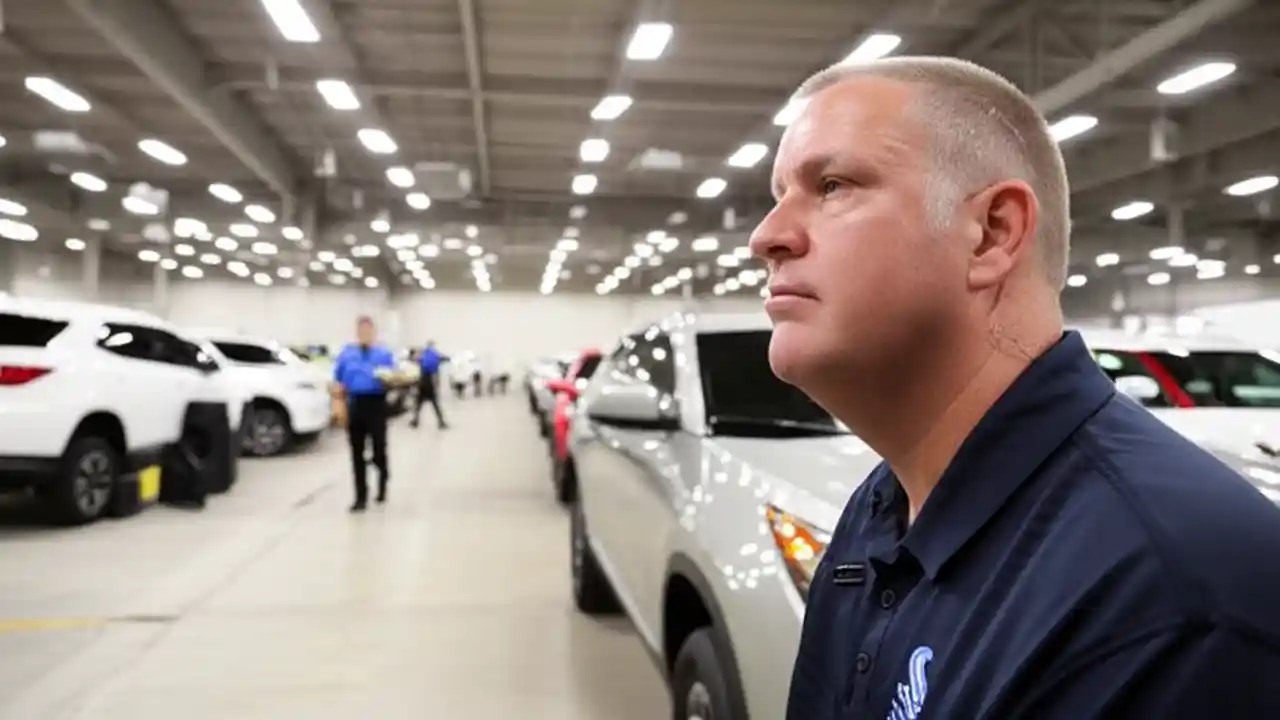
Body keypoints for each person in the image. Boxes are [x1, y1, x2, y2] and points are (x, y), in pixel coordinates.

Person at [750, 56, 1280, 719]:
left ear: (992, 234)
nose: (766, 237)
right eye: (778, 196)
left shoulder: (1171, 597)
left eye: (832, 185)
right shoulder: (882, 509)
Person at [332, 316, 396, 512]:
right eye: (362, 331)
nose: (365, 335)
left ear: (374, 333)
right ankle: (360, 497)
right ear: (357, 332)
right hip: (355, 404)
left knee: (378, 449)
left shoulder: (383, 354)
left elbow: (394, 378)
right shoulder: (346, 355)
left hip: (376, 404)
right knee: (356, 453)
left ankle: (383, 478)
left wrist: (390, 382)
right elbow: (337, 381)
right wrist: (338, 403)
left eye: (368, 331)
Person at [411, 340, 449, 429]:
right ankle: (441, 422)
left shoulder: (423, 356)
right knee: (435, 404)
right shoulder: (436, 356)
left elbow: (415, 360)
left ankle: (415, 421)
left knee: (418, 404)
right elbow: (445, 359)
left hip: (422, 383)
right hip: (431, 383)